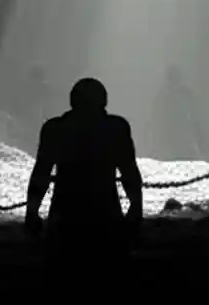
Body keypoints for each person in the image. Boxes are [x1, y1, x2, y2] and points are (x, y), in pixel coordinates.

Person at [25, 77, 143, 272]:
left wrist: (32, 212)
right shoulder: (116, 128)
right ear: (104, 101)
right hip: (105, 211)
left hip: (65, 213)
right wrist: (136, 207)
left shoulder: (55, 129)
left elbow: (41, 173)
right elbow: (129, 171)